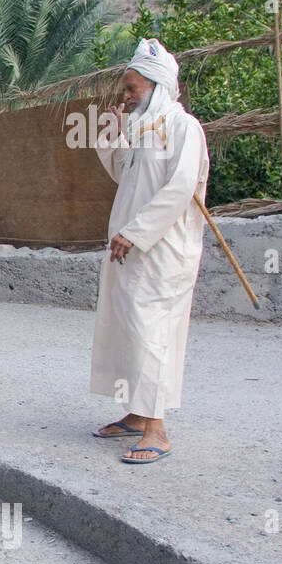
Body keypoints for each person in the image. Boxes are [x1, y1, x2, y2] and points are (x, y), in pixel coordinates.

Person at [90, 39, 210, 463]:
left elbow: (179, 189)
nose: (125, 95)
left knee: (152, 333)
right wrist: (112, 135)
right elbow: (124, 175)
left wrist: (136, 233)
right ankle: (138, 414)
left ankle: (157, 429)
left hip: (162, 253)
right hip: (133, 250)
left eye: (132, 88)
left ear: (157, 86)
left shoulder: (184, 128)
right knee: (130, 330)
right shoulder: (142, 128)